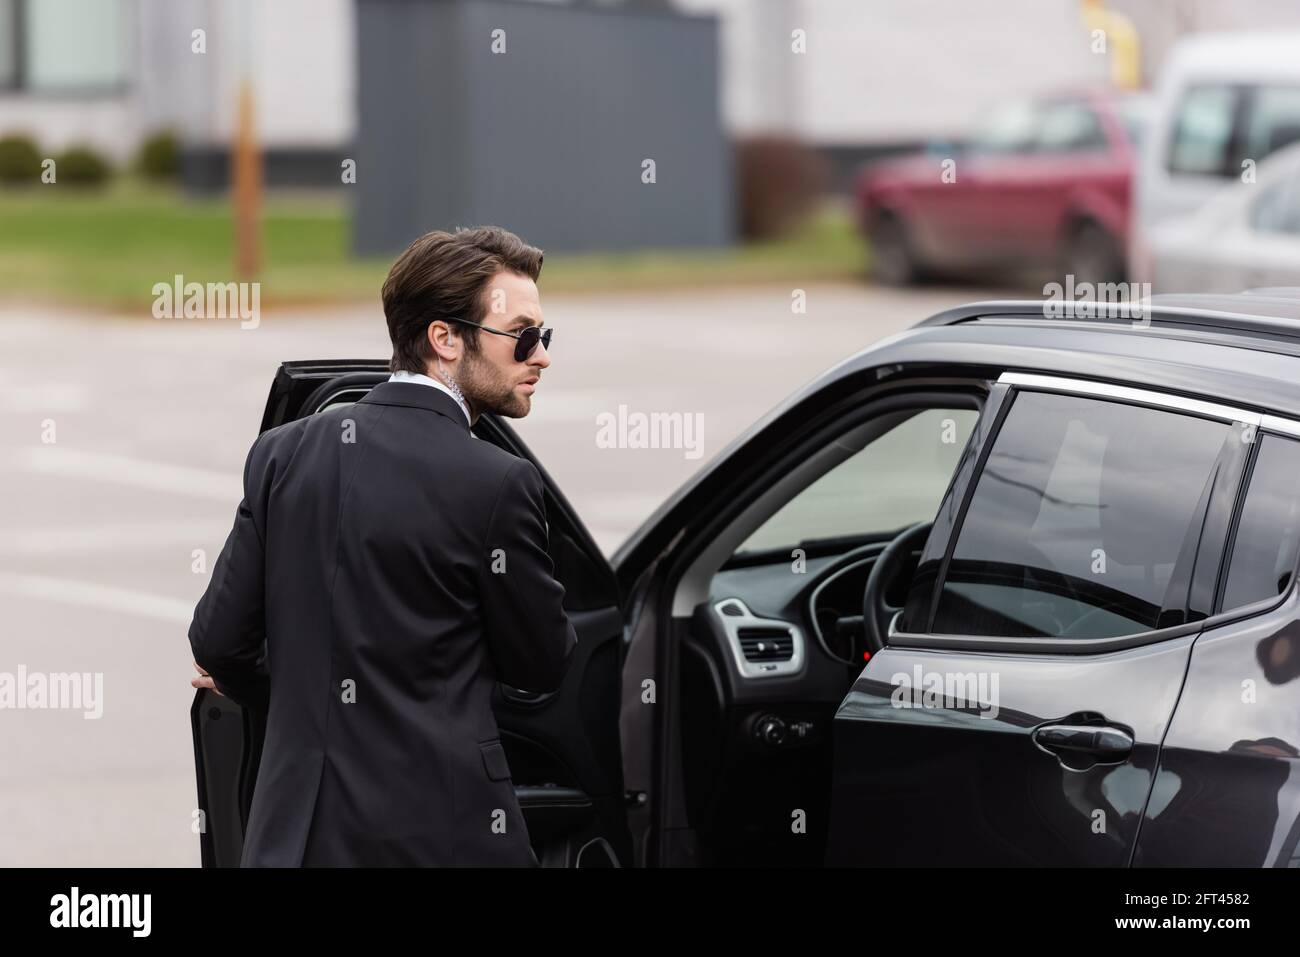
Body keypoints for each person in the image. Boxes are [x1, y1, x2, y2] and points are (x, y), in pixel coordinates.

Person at [188, 225, 575, 866]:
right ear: (444, 340)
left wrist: (293, 685)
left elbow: (219, 641)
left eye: (545, 336)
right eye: (524, 335)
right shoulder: (498, 481)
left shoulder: (283, 454)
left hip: (295, 839)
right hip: (443, 840)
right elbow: (541, 662)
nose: (541, 356)